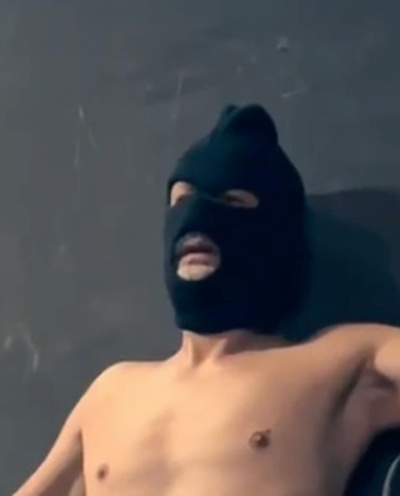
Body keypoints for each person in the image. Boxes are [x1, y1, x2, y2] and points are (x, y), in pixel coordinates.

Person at [13, 104, 400, 496]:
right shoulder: (110, 394)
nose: (197, 216)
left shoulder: (342, 361)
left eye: (232, 202)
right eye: (181, 200)